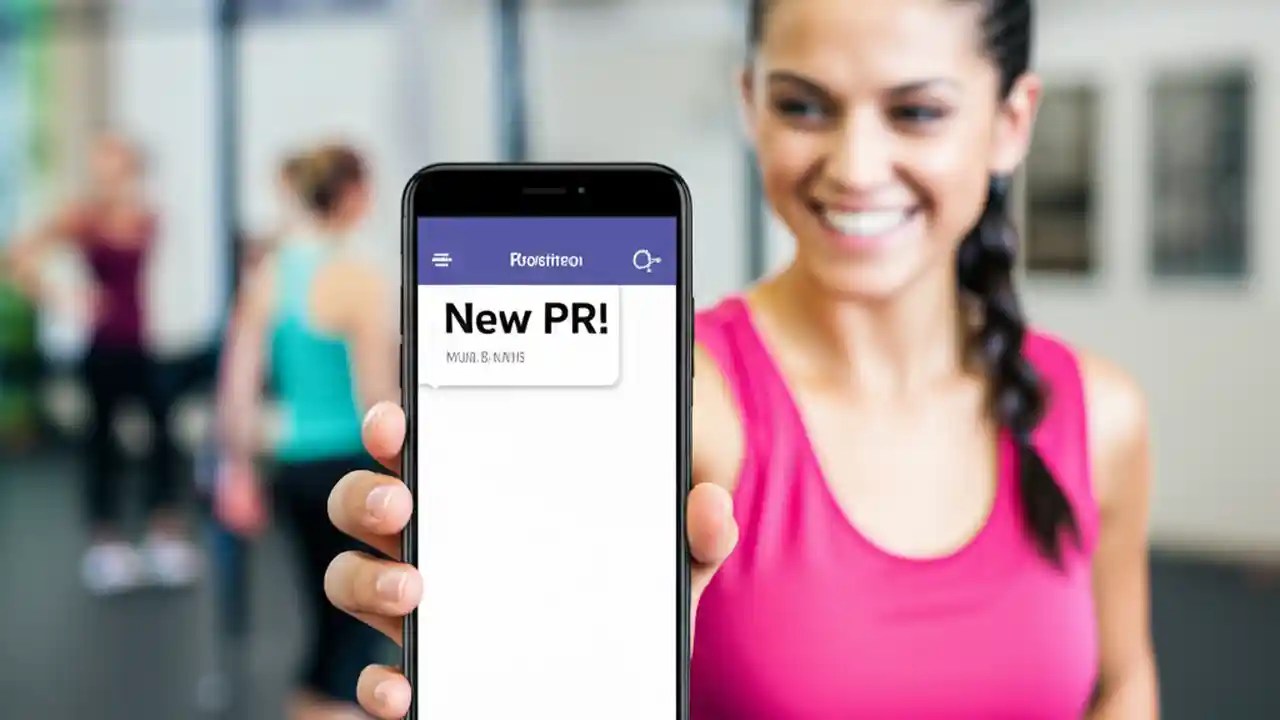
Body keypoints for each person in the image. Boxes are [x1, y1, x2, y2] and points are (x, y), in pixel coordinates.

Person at [323, 0, 1159, 717]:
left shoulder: (1100, 413)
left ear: (1013, 120)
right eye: (804, 107)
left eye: (917, 112)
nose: (857, 166)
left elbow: (1121, 683)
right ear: (750, 101)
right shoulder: (684, 405)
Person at [218, 143, 397, 720]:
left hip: (293, 470)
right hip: (350, 468)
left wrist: (237, 468)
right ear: (351, 196)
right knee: (355, 634)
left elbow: (237, 387)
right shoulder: (358, 279)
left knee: (326, 625)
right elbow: (378, 399)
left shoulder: (271, 273)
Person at [4, 133, 198, 595]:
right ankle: (106, 541)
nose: (104, 175)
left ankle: (163, 534)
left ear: (131, 169)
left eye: (112, 165)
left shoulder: (150, 218)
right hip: (103, 349)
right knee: (103, 442)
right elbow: (18, 257)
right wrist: (65, 297)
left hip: (149, 345)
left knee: (162, 438)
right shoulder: (82, 219)